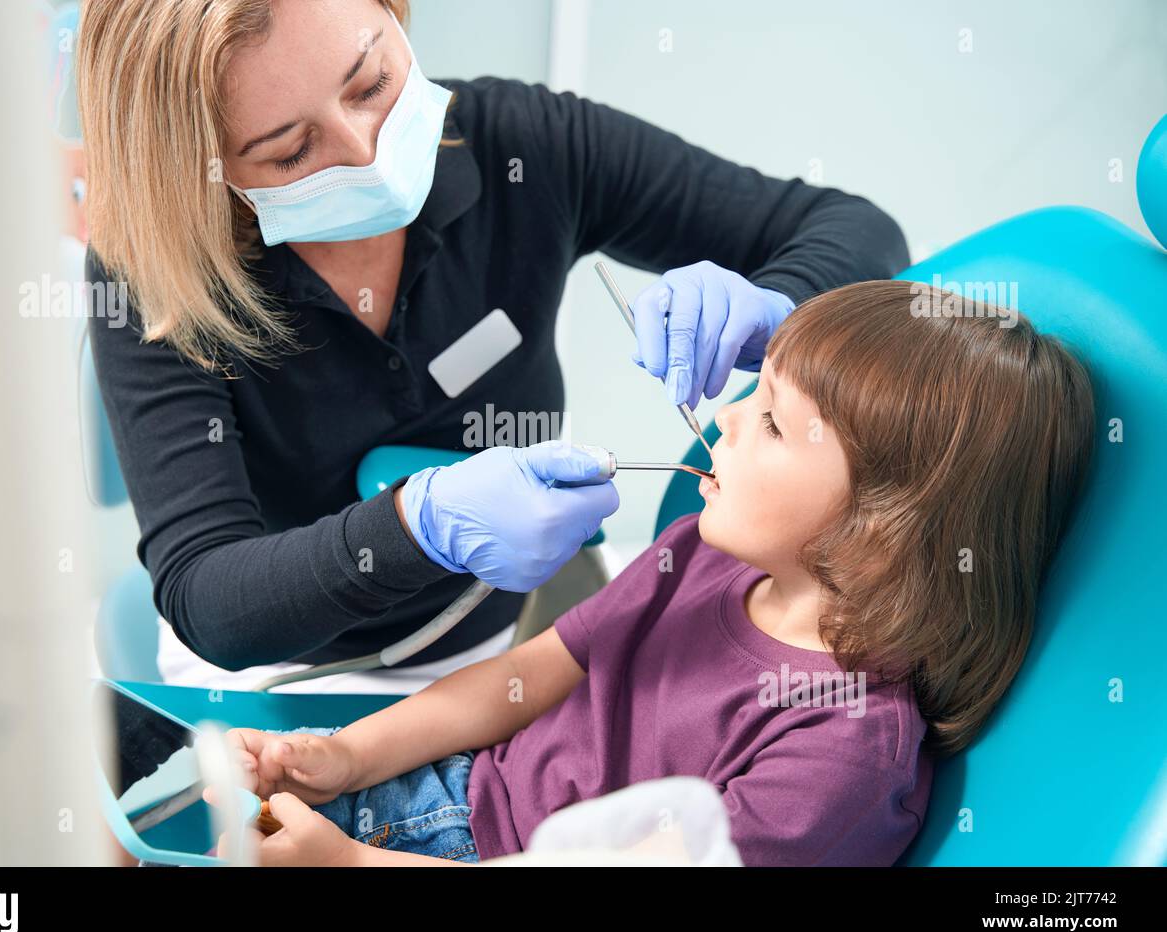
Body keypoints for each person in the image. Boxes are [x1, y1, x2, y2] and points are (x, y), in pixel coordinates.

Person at [76, 0, 909, 690]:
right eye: (291, 151)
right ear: (202, 169)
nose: (367, 152)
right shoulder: (151, 268)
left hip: (510, 649)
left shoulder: (521, 146)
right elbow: (209, 598)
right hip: (281, 674)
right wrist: (419, 526)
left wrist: (778, 304)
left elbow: (857, 230)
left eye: (372, 83)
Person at [219, 281, 1095, 865]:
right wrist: (342, 756)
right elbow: (525, 678)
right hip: (457, 796)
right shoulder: (700, 555)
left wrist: (355, 866)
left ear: (880, 531)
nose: (726, 415)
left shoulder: (844, 756)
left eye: (776, 424)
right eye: (756, 391)